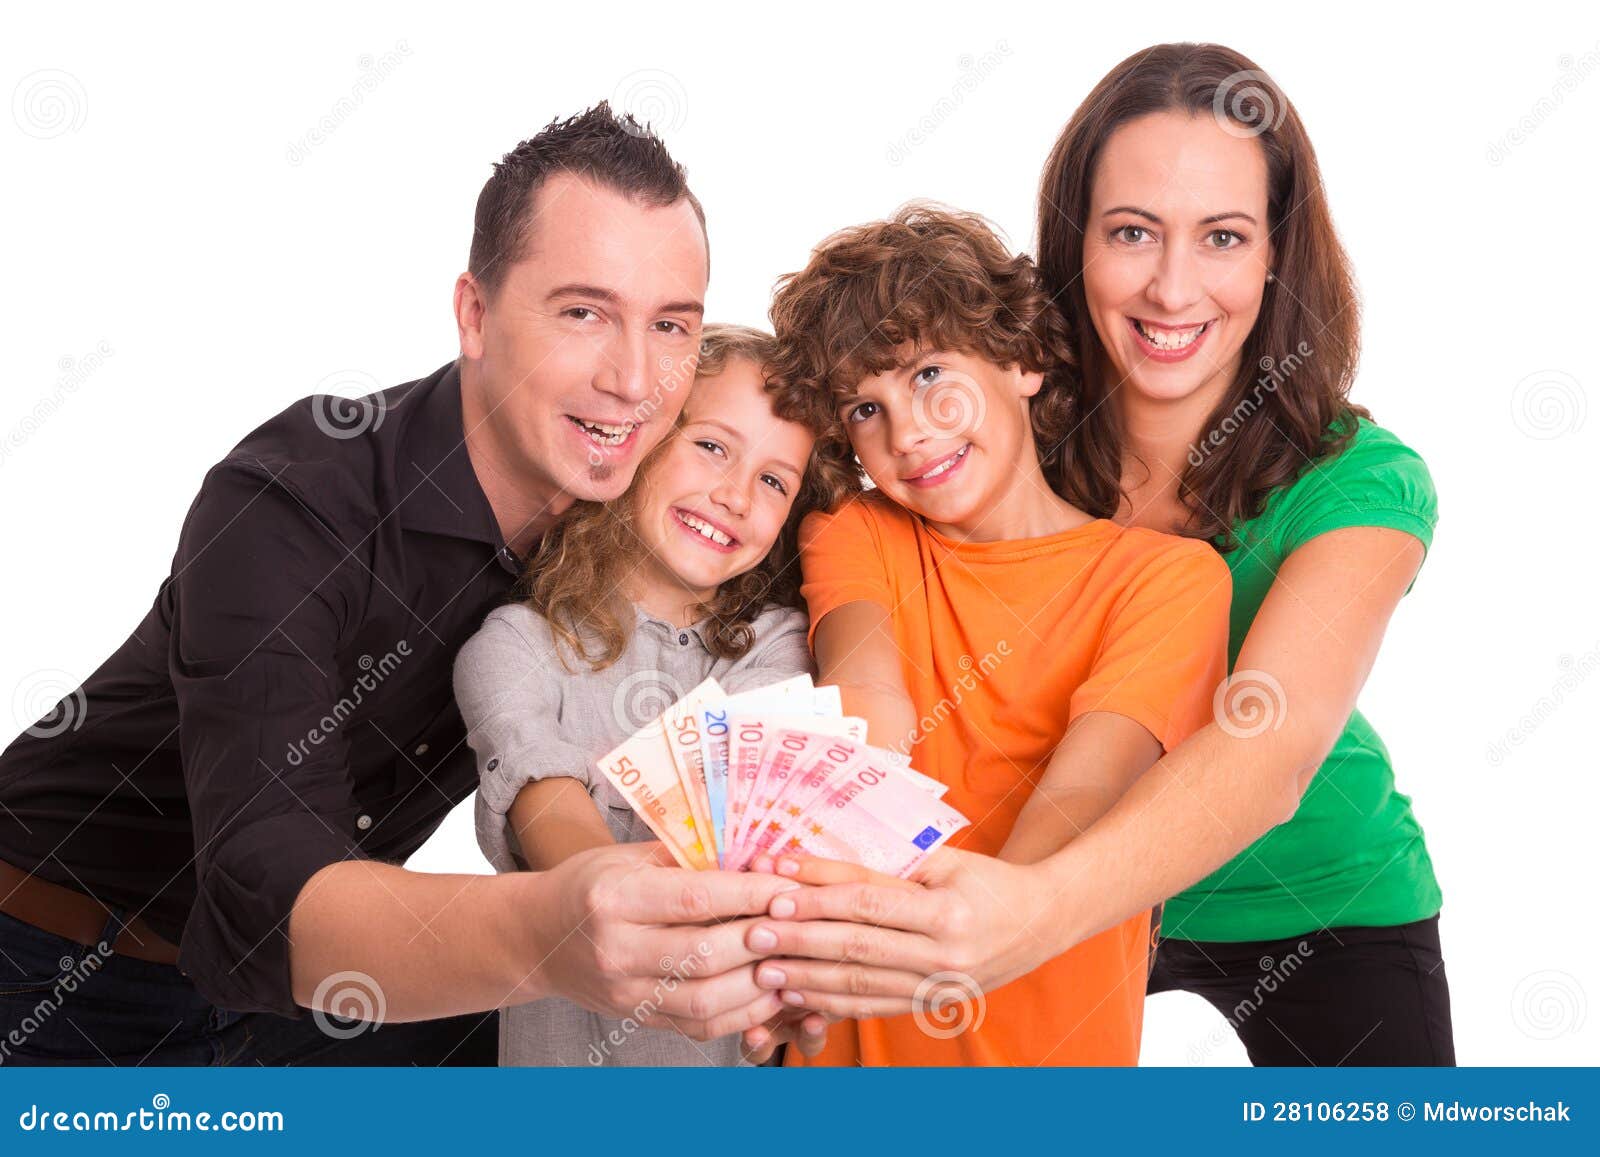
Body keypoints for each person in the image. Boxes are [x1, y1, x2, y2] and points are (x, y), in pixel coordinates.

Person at [0, 105, 803, 1066]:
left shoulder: (642, 501)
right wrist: (566, 925)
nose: (635, 378)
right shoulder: (295, 499)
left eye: (670, 324)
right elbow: (264, 889)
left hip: (318, 995)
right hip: (52, 963)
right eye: (583, 312)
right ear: (474, 313)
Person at [1035, 42, 1452, 1065]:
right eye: (1131, 232)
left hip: (1315, 898)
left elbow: (1265, 753)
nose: (1173, 287)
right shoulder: (998, 445)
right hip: (1045, 876)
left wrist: (1020, 911)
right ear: (1075, 244)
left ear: (1274, 254)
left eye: (1221, 236)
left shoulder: (1359, 479)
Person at [759, 205, 1231, 1065]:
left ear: (1021, 358)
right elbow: (864, 701)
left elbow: (1084, 793)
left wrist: (964, 928)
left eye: (930, 372)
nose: (907, 433)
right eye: (865, 408)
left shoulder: (1168, 577)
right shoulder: (857, 528)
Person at [457, 324, 854, 1065]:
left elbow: (739, 824)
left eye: (774, 480)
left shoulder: (780, 646)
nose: (735, 494)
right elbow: (541, 789)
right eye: (711, 446)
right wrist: (599, 885)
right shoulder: (514, 646)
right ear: (642, 439)